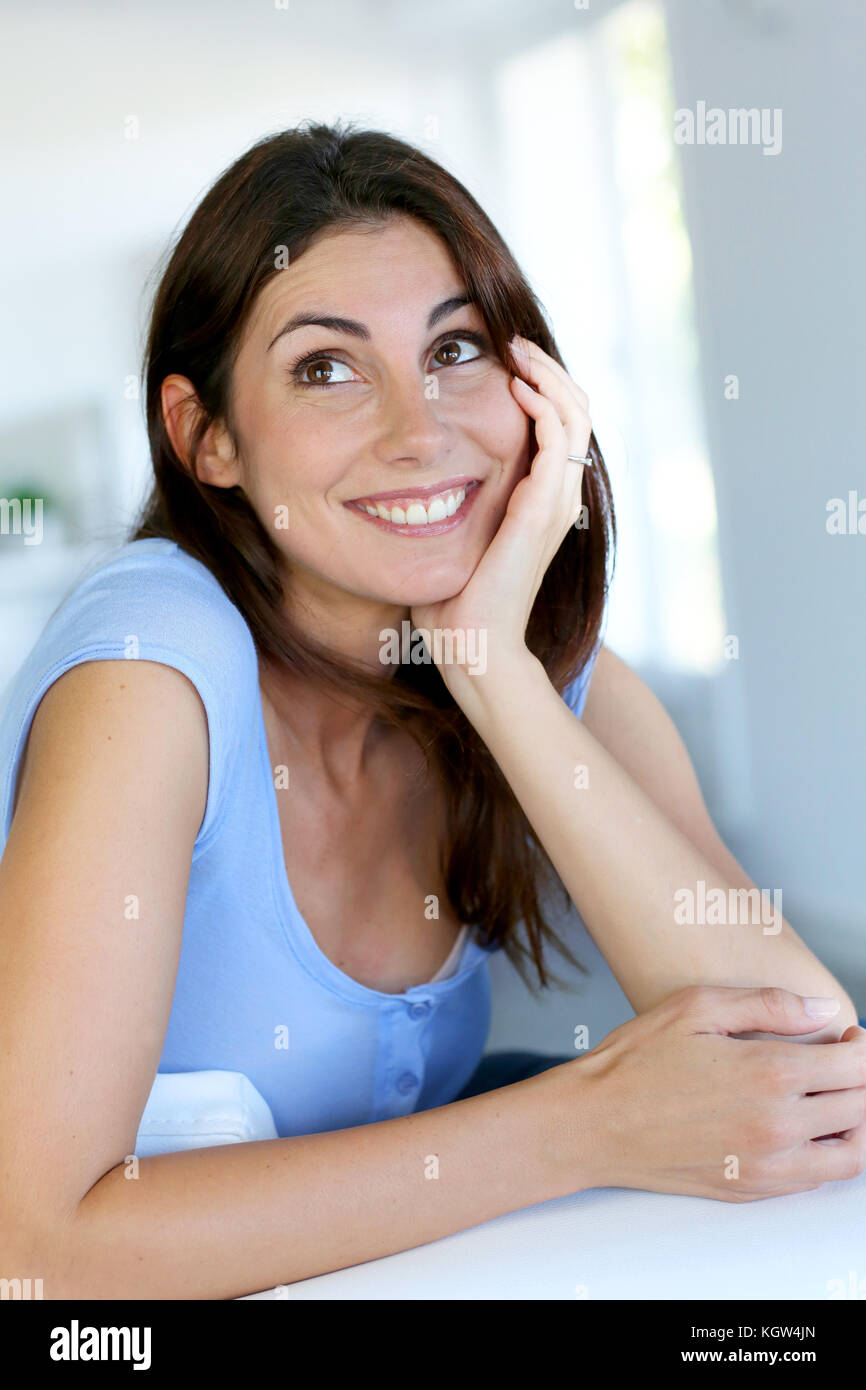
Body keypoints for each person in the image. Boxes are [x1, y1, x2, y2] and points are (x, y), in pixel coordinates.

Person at [0, 120, 863, 1301]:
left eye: (455, 347)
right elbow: (37, 1251)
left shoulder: (514, 650)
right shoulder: (149, 674)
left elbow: (803, 1069)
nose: (420, 431)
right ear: (205, 438)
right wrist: (579, 1123)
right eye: (326, 367)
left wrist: (489, 669)